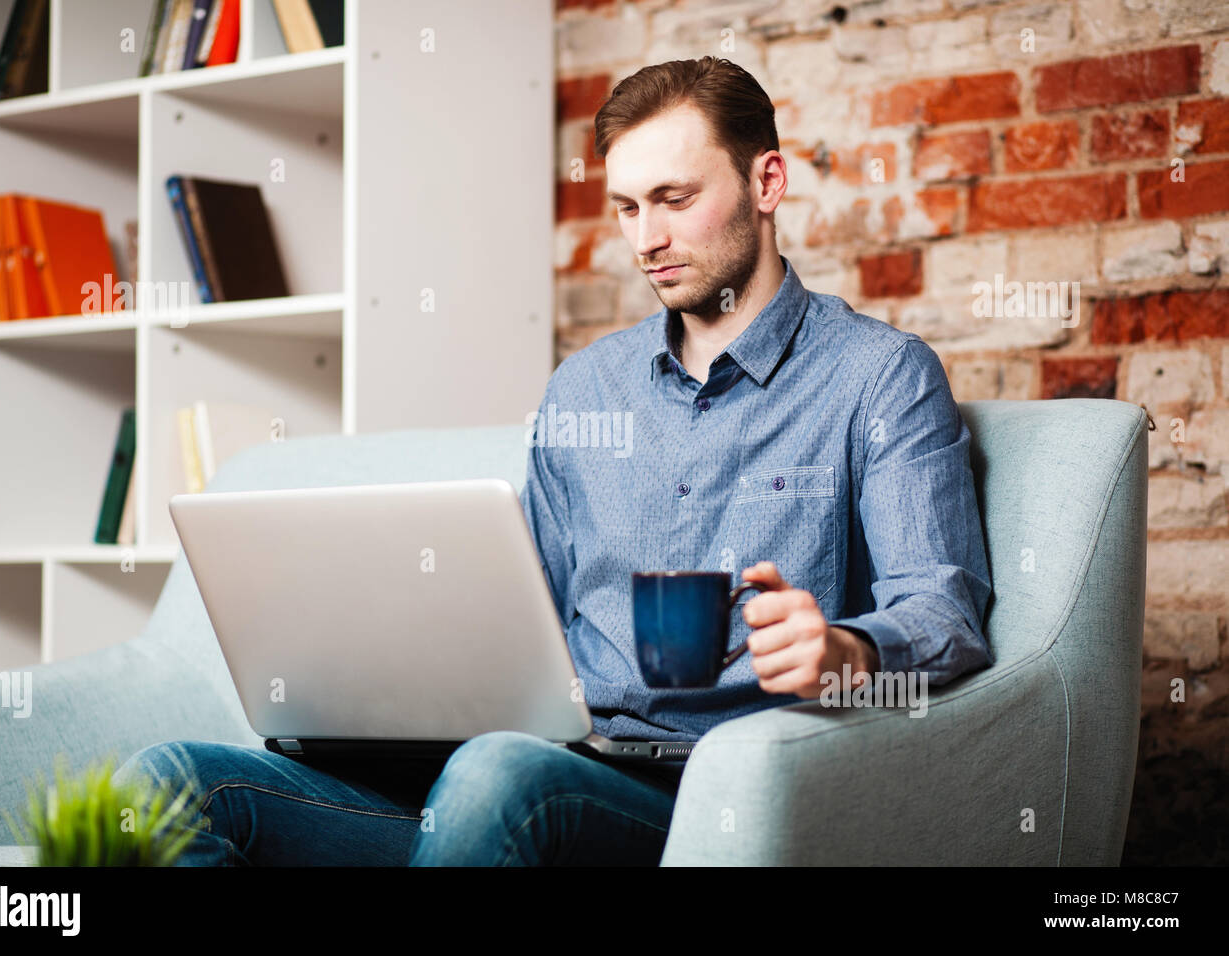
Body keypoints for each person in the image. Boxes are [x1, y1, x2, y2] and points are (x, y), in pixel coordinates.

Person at [114, 55, 993, 866]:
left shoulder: (878, 377)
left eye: (676, 198)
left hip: (703, 794)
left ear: (767, 181)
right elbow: (526, 615)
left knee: (497, 777)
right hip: (537, 764)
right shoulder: (584, 393)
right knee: (171, 786)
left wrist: (844, 650)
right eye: (627, 206)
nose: (646, 237)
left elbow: (945, 613)